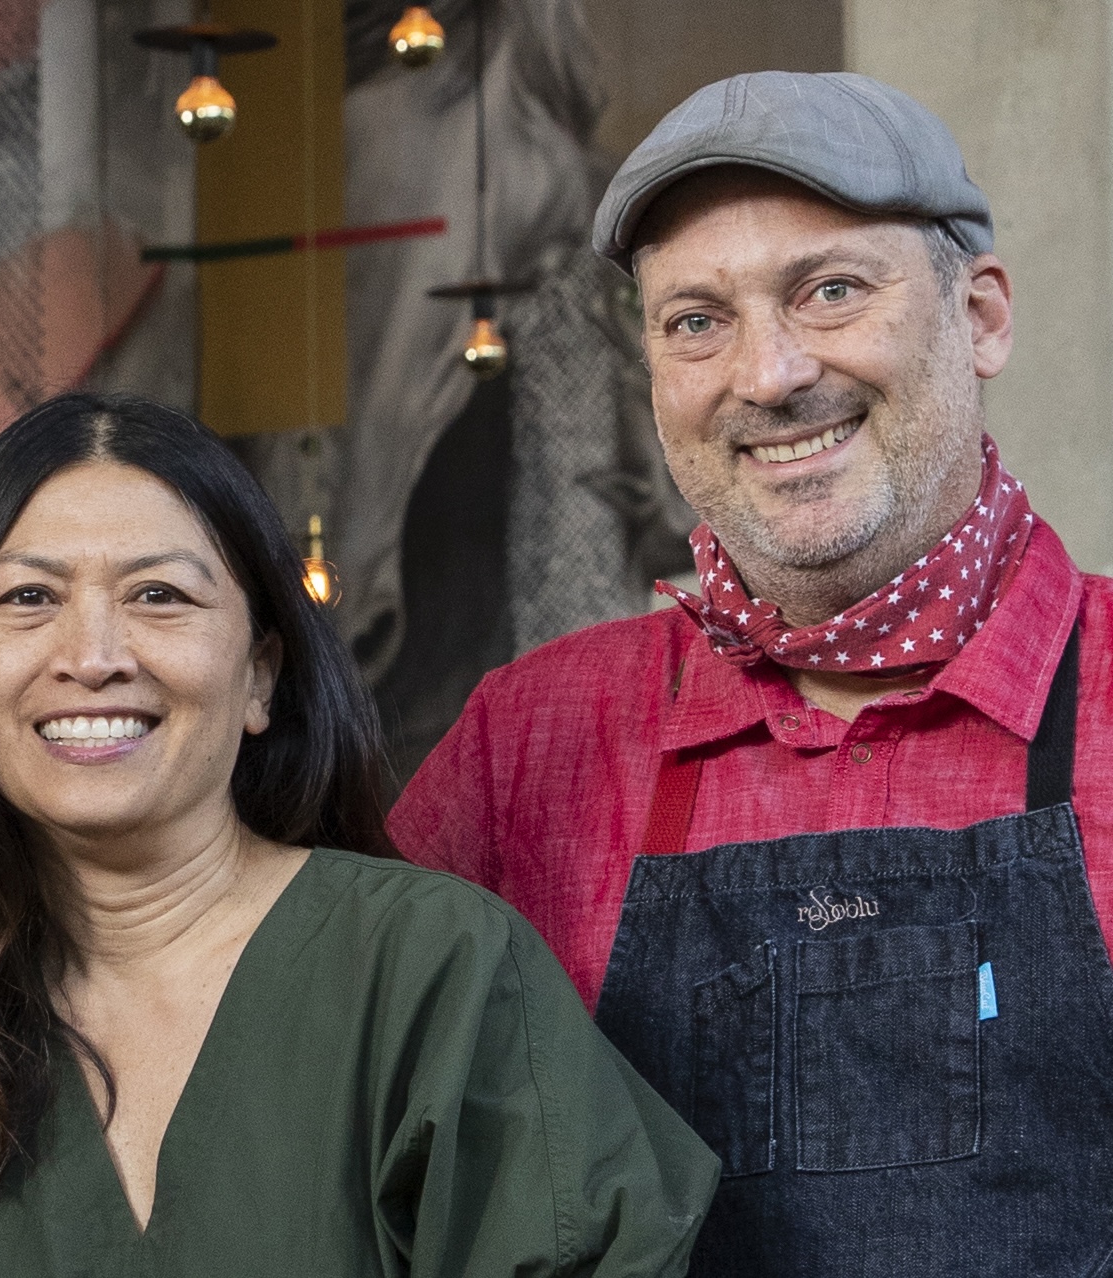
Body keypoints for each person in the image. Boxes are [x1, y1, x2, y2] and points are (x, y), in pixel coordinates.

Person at [389, 71, 1113, 1277]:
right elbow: (372, 1149)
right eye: (696, 321)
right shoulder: (532, 739)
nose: (767, 375)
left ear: (980, 317)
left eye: (829, 291)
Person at [0, 392, 719, 1277]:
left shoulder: (428, 969)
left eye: (159, 595)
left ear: (260, 676)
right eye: (29, 596)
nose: (93, 655)